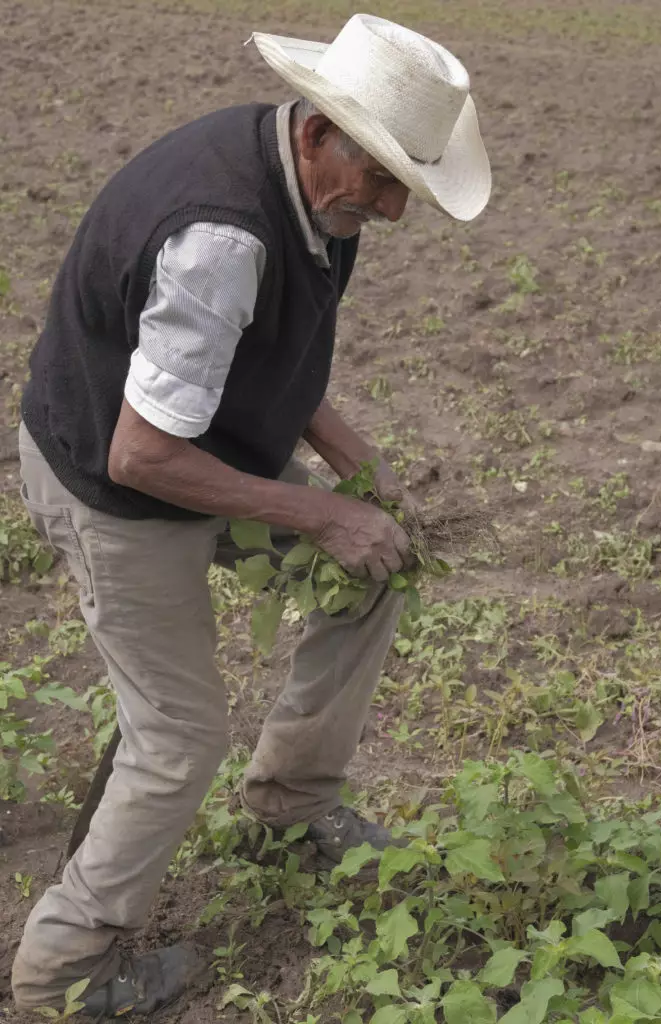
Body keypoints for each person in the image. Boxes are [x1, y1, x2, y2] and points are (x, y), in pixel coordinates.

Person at [12, 12, 491, 1017]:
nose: (398, 210)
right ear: (321, 132)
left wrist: (347, 457)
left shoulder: (307, 191)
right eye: (386, 178)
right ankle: (63, 971)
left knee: (375, 570)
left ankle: (289, 806)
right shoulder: (218, 236)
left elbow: (256, 347)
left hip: (197, 452)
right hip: (120, 489)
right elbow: (140, 455)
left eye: (408, 179)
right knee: (179, 735)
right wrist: (319, 514)